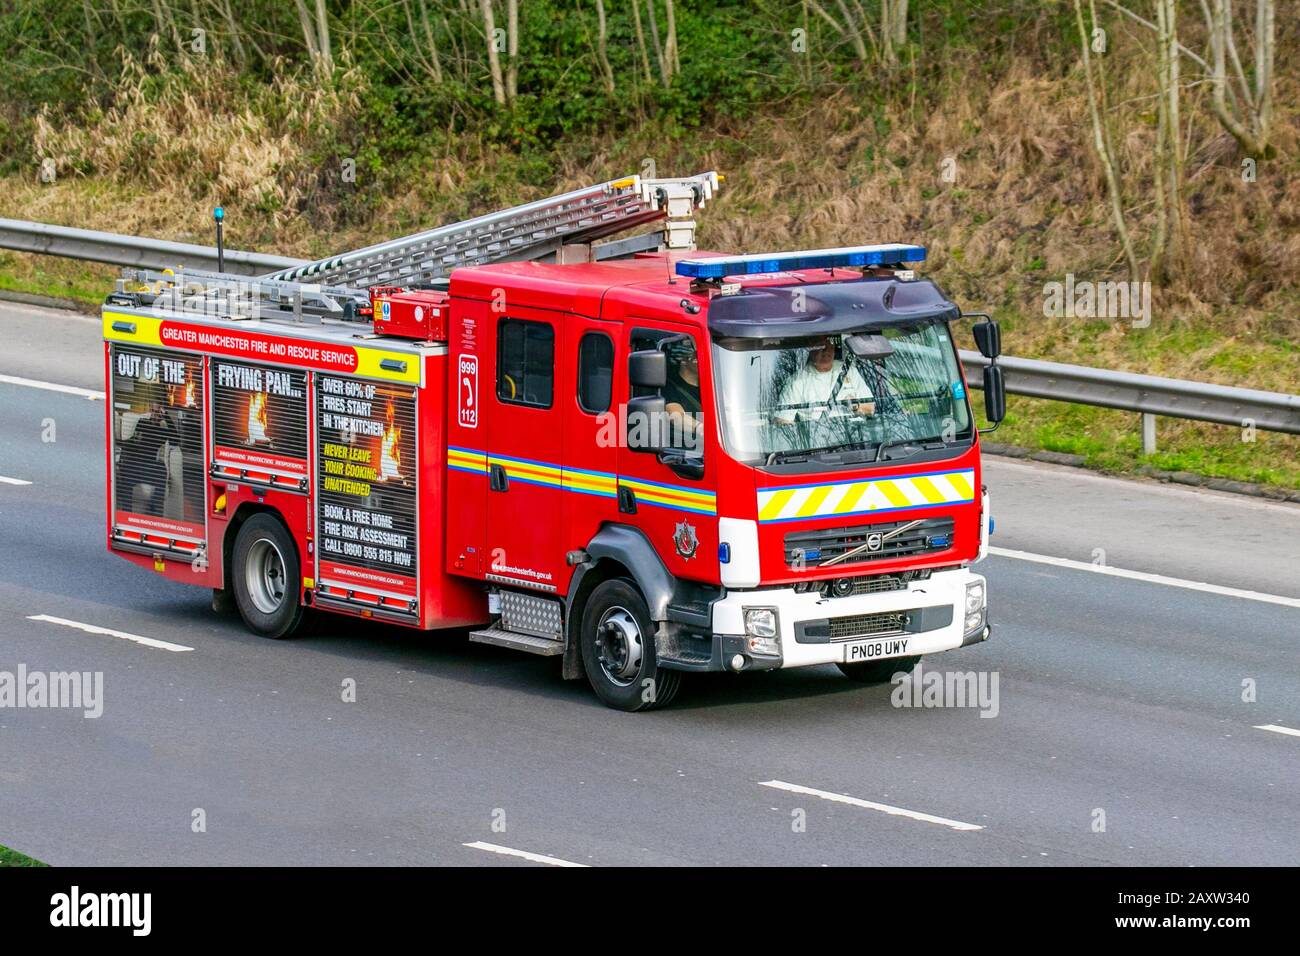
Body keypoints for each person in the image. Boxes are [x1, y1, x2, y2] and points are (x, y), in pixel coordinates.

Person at [775, 336, 875, 424]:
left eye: (830, 346)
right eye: (821, 347)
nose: (826, 351)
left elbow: (870, 408)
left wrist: (854, 406)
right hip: (815, 439)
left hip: (851, 435)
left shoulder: (848, 370)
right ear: (811, 351)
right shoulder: (797, 382)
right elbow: (783, 420)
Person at [661, 339, 704, 449]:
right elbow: (677, 416)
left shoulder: (711, 386)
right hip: (687, 451)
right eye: (697, 354)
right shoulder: (668, 386)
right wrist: (701, 429)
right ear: (683, 359)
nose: (704, 358)